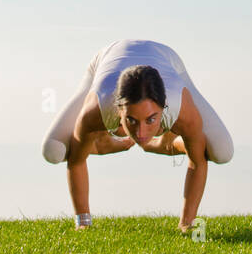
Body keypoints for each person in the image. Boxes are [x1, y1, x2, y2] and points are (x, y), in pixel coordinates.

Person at [42, 38, 233, 232]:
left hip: (166, 58)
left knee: (222, 152)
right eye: (131, 120)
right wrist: (83, 222)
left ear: (163, 108)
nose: (140, 133)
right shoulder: (96, 109)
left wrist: (187, 223)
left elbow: (198, 161)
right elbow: (76, 161)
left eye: (150, 120)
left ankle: (165, 142)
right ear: (118, 111)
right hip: (108, 58)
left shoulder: (182, 108)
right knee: (53, 150)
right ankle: (103, 141)